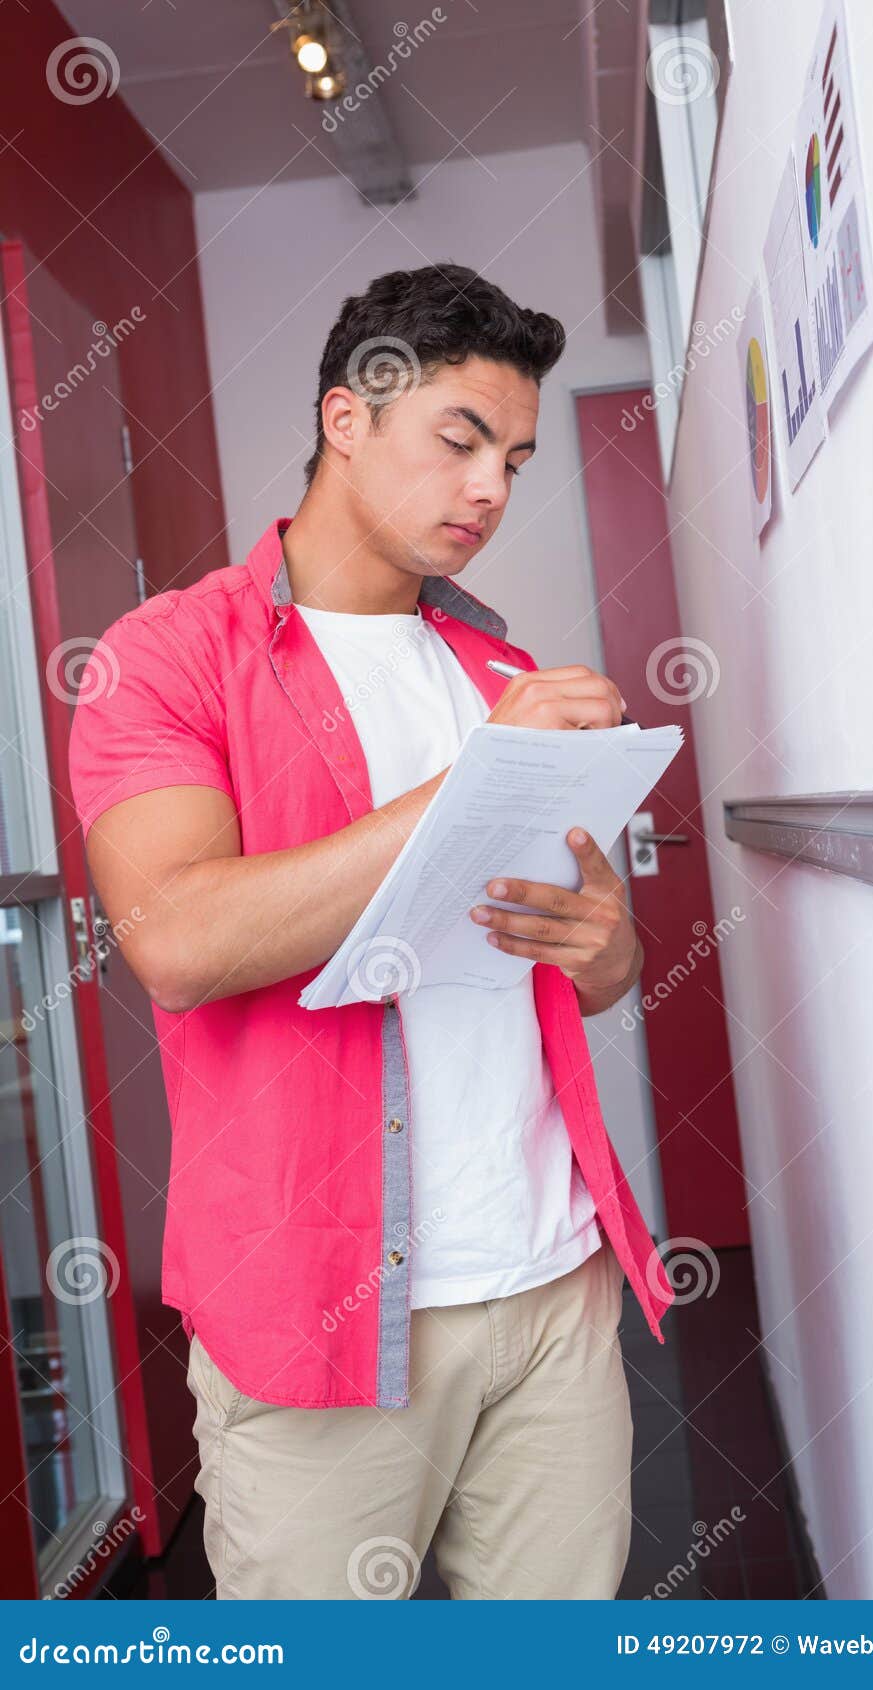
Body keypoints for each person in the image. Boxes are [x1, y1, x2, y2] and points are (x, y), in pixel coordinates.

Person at [67, 262, 675, 1600]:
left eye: (513, 458)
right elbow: (176, 936)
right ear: (348, 418)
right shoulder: (164, 659)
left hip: (552, 1282)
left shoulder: (500, 675)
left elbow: (606, 964)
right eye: (459, 440)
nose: (490, 492)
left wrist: (603, 948)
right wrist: (468, 783)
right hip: (318, 1314)